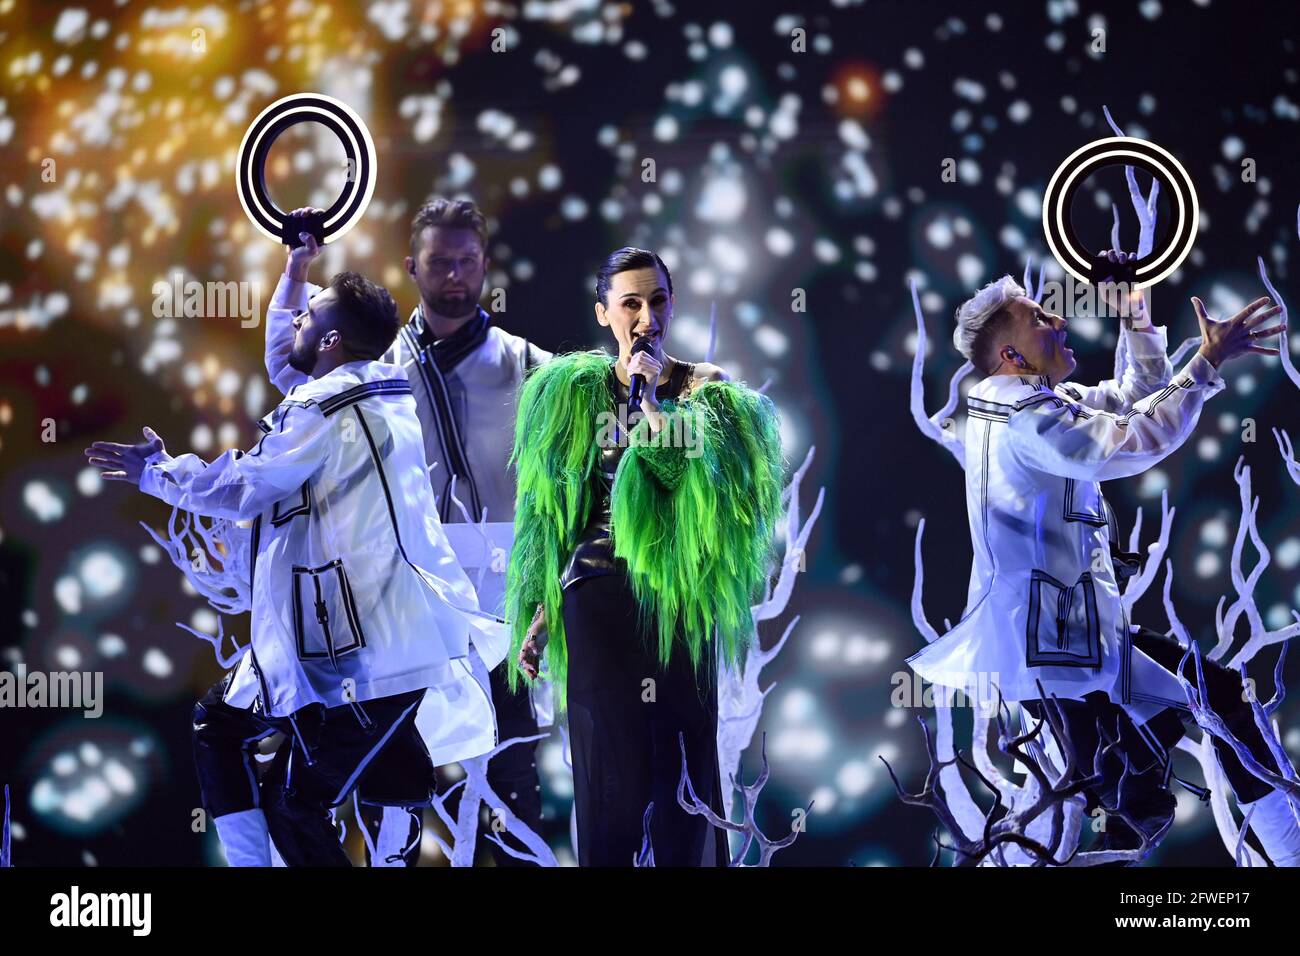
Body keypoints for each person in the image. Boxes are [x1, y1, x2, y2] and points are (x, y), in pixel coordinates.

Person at [86, 271, 504, 866]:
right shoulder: (370, 395)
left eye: (308, 316)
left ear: (332, 344)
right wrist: (295, 269)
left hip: (368, 655)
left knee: (294, 803)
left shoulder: (325, 408)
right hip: (362, 640)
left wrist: (156, 473)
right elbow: (289, 361)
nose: (296, 321)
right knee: (221, 728)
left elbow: (241, 488)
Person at [906, 260, 1300, 863]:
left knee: (1188, 735)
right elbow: (1130, 441)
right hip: (1057, 655)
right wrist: (1207, 363)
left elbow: (1134, 400)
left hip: (1075, 642)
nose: (1060, 320)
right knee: (1133, 786)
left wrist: (1137, 318)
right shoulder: (1024, 416)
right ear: (1011, 354)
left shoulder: (1029, 400)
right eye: (1040, 319)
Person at [267, 200, 551, 865]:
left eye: (467, 260)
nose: (455, 274)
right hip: (401, 600)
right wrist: (297, 263)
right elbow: (287, 366)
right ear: (411, 267)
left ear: (485, 265)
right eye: (439, 261)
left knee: (508, 768)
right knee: (391, 776)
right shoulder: (374, 362)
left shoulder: (529, 365)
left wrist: (544, 600)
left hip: (501, 598)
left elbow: (560, 492)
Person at [506, 246, 784, 865]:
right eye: (630, 303)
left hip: (676, 607)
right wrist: (541, 617)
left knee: (682, 778)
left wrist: (652, 403)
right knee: (609, 781)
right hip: (595, 599)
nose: (645, 317)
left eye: (657, 300)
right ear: (604, 312)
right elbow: (561, 520)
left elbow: (710, 499)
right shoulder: (574, 396)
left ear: (673, 305)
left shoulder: (708, 393)